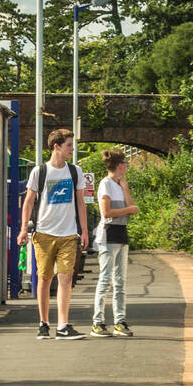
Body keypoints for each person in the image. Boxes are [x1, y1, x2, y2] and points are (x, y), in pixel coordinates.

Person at [16, 128, 89, 339]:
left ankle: (63, 325)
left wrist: (84, 231)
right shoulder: (40, 172)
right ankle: (43, 322)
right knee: (44, 278)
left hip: (68, 234)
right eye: (68, 145)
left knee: (65, 278)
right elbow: (28, 202)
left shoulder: (75, 171)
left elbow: (81, 203)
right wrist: (23, 229)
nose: (72, 149)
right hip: (44, 234)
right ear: (56, 146)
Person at [92, 150, 138, 337]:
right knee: (105, 280)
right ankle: (97, 322)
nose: (127, 165)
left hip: (121, 234)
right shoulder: (105, 184)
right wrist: (128, 209)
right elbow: (106, 212)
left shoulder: (119, 185)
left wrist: (125, 189)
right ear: (119, 165)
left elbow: (132, 208)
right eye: (125, 163)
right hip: (108, 235)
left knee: (120, 282)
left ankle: (120, 321)